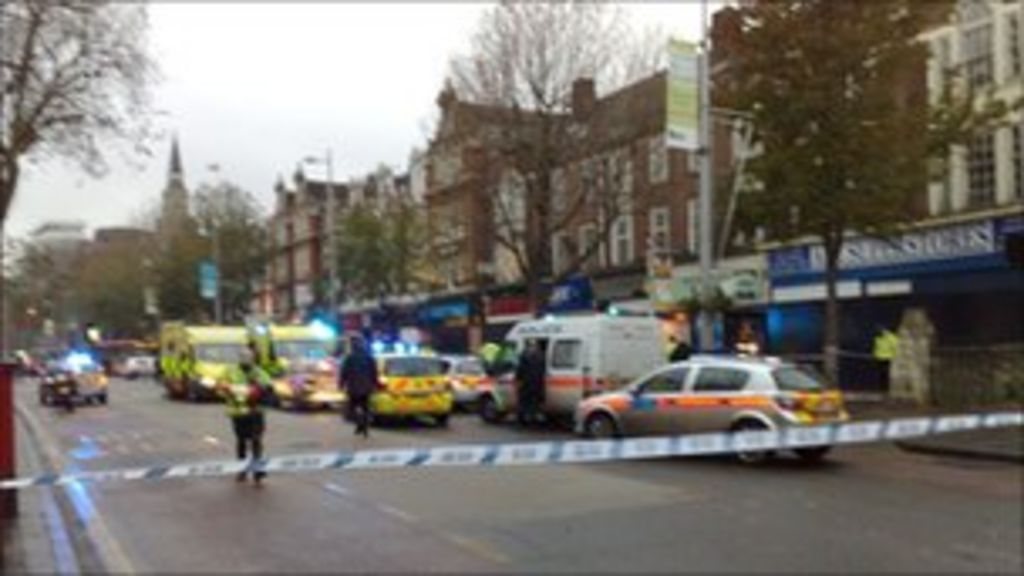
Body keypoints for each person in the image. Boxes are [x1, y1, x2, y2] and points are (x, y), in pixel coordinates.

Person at [216, 349, 272, 484]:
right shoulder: (230, 371)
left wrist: (261, 391)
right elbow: (220, 388)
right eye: (244, 357)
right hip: (238, 413)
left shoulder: (259, 372)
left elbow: (268, 386)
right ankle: (241, 469)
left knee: (256, 440)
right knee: (241, 440)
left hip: (256, 411)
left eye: (249, 358)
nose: (247, 360)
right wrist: (228, 391)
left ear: (253, 359)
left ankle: (258, 471)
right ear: (240, 359)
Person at [339, 335, 378, 439]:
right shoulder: (369, 357)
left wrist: (341, 384)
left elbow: (344, 372)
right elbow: (374, 372)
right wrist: (374, 385)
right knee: (365, 407)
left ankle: (360, 423)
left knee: (351, 409)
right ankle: (364, 425)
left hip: (353, 387)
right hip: (366, 387)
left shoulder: (350, 358)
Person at [514, 339, 546, 426]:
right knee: (534, 401)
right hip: (537, 383)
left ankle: (522, 419)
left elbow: (520, 369)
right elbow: (543, 369)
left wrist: (518, 379)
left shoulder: (524, 354)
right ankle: (532, 418)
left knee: (523, 401)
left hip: (526, 382)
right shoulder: (541, 355)